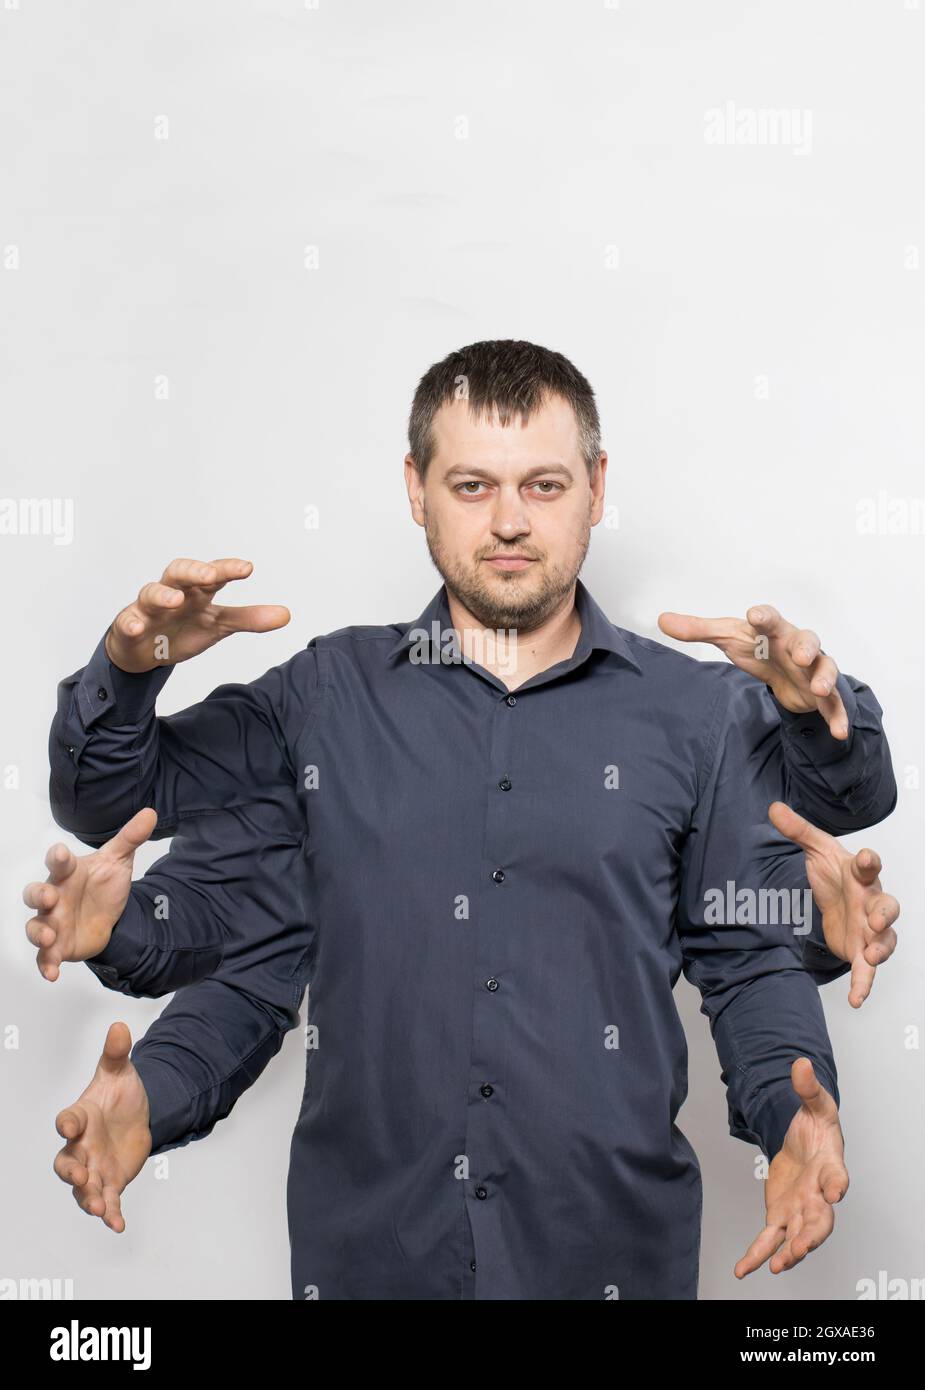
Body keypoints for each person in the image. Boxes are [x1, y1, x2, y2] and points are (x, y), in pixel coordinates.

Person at [28, 339, 899, 1299]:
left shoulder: (697, 716)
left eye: (545, 484)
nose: (512, 522)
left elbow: (744, 961)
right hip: (369, 1261)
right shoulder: (323, 699)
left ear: (598, 487)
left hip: (610, 1258)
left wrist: (794, 1110)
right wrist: (133, 663)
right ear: (416, 488)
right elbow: (228, 924)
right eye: (473, 485)